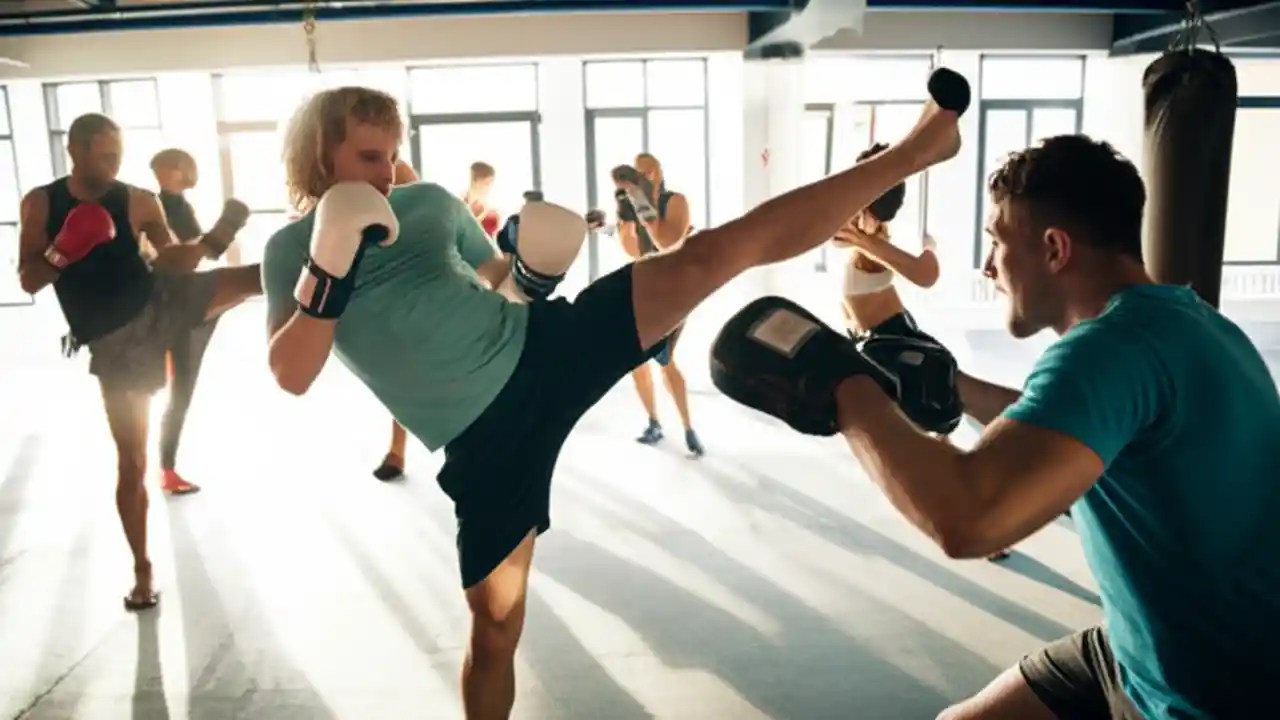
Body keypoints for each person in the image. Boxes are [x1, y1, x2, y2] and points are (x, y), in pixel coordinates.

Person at [260, 77, 964, 720]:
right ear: (318, 157)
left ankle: (912, 150)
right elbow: (292, 372)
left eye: (391, 155)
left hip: (544, 344)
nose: (385, 173)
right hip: (483, 445)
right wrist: (329, 265)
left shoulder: (430, 203)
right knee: (498, 627)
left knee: (717, 250)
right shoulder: (289, 250)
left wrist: (533, 267)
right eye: (367, 157)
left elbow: (496, 282)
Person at [709, 134, 1280, 720]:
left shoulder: (1106, 350)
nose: (987, 268)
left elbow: (966, 518)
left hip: (1209, 694)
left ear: (1055, 249)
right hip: (1141, 650)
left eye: (996, 243)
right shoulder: (1188, 322)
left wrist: (841, 386)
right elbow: (1073, 438)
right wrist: (951, 385)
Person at [17, 113, 261, 611]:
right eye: (104, 156)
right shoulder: (42, 202)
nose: (113, 165)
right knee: (132, 461)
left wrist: (210, 243)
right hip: (117, 342)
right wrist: (66, 250)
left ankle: (362, 274)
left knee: (262, 275)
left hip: (162, 300)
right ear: (75, 151)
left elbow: (170, 259)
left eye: (118, 155)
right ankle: (143, 571)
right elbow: (29, 278)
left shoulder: (138, 200)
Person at [615, 153, 705, 456]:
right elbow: (634, 252)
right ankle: (653, 421)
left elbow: (668, 243)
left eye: (647, 172)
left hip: (675, 290)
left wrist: (644, 207)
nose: (644, 177)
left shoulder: (675, 201)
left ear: (658, 172)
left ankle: (688, 426)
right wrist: (624, 222)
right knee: (635, 361)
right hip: (644, 287)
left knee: (665, 359)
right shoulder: (633, 205)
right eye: (638, 174)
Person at [149, 147, 217, 495]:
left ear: (179, 172)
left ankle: (167, 467)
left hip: (181, 302)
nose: (159, 171)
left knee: (180, 389)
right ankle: (165, 467)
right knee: (173, 389)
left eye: (166, 167)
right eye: (158, 168)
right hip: (163, 303)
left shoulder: (175, 206)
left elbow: (194, 252)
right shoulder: (153, 204)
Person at [372, 158, 424, 482]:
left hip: (415, 285)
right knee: (399, 374)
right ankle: (397, 450)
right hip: (386, 289)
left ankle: (397, 450)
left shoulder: (402, 173)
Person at [464, 160, 501, 238]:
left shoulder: (492, 211)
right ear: (474, 181)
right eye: (486, 184)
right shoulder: (459, 204)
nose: (489, 188)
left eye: (491, 183)